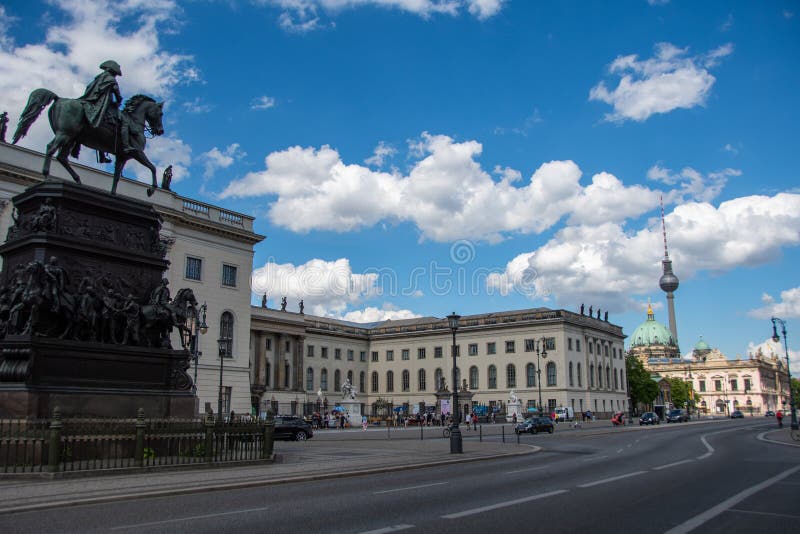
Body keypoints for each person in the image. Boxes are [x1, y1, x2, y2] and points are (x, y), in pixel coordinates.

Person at [78, 60, 127, 162]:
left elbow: (89, 88)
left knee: (101, 126)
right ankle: (126, 145)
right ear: (113, 71)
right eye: (115, 74)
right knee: (123, 122)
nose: (115, 76)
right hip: (102, 103)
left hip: (91, 100)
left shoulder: (99, 77)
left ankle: (102, 155)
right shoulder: (111, 79)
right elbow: (116, 92)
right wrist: (118, 100)